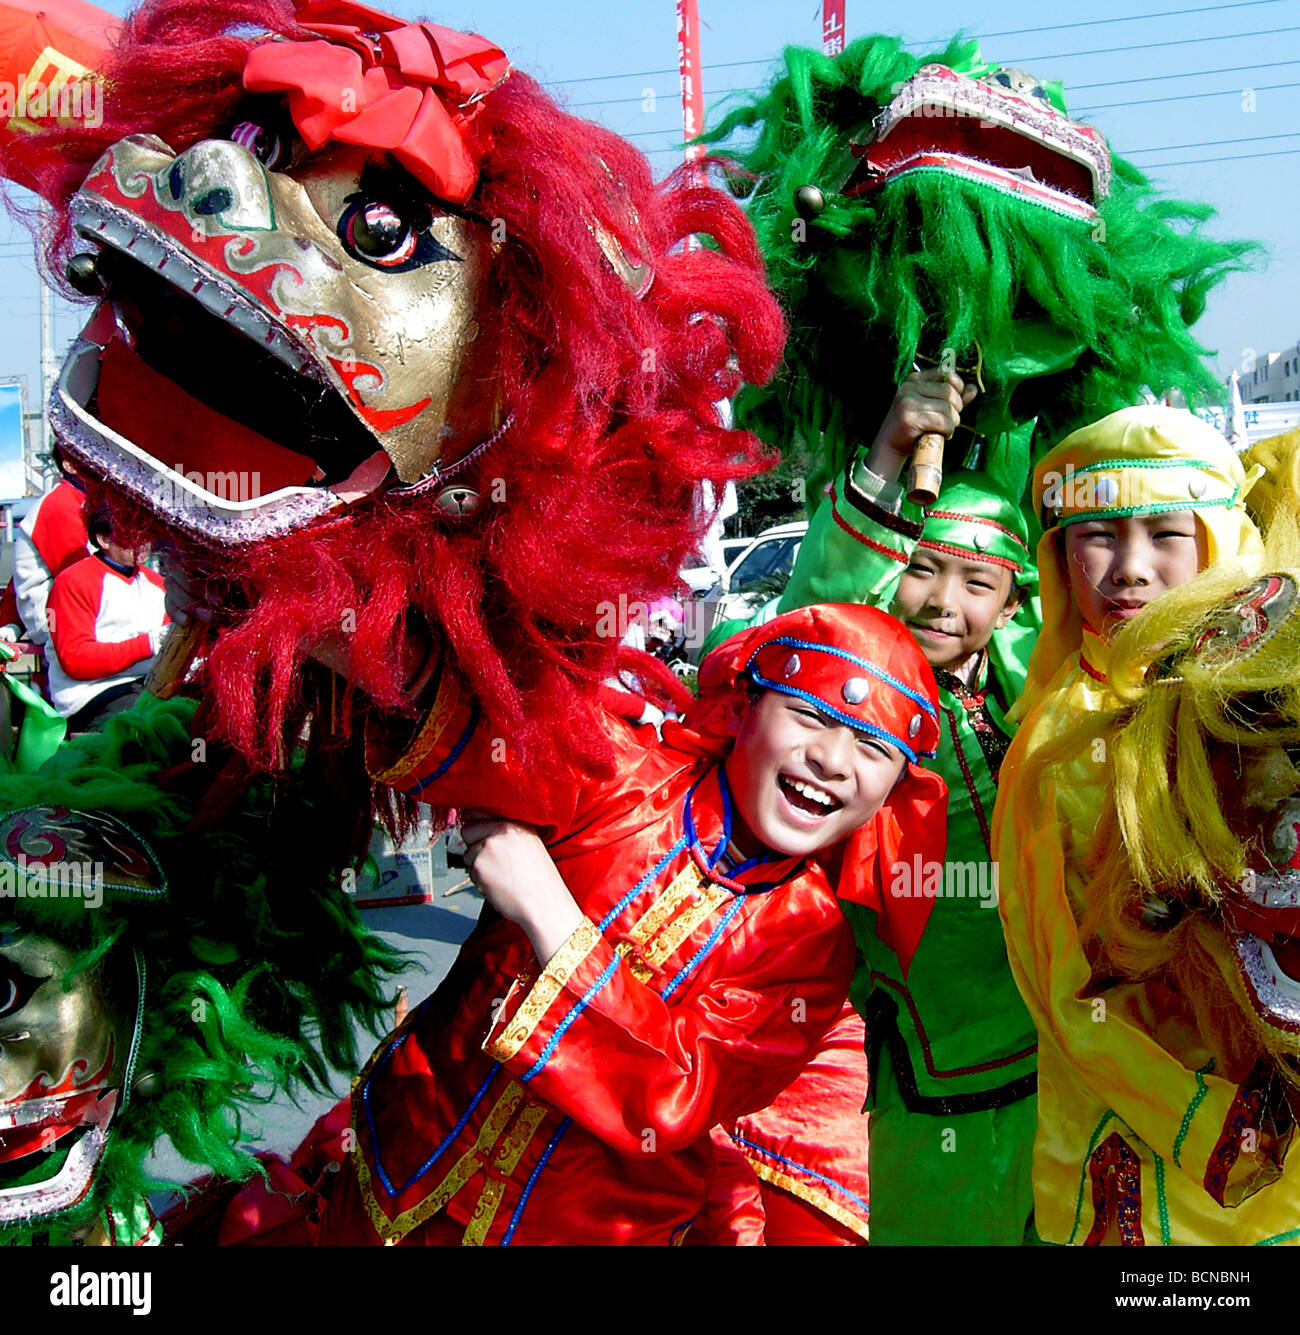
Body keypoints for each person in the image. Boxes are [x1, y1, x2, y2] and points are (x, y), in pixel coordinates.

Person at [293, 603, 945, 1245]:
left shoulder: (813, 945)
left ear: (892, 792)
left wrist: (548, 911)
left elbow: (680, 1090)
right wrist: (295, 603)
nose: (833, 758)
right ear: (744, 707)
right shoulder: (620, 769)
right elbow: (463, 713)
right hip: (396, 1167)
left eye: (872, 747)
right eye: (810, 716)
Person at [703, 369, 1041, 1244]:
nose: (944, 603)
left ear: (1013, 600)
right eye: (923, 569)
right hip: (915, 1054)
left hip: (1057, 1040)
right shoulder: (861, 691)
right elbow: (820, 609)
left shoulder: (1029, 682)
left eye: (978, 583)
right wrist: (891, 451)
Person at [990, 403, 1300, 1244]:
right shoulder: (1056, 743)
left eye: (1166, 533)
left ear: (1218, 538)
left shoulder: (1274, 694)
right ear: (1058, 556)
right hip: (1152, 1152)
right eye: (1096, 536)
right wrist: (1215, 1123)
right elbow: (1066, 992)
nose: (1129, 570)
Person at [45, 510, 168, 731]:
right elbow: (75, 660)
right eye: (132, 536)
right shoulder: (73, 582)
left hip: (149, 685)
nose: (143, 543)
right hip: (92, 694)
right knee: (154, 724)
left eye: (146, 534)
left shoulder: (158, 583)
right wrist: (148, 644)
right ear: (103, 540)